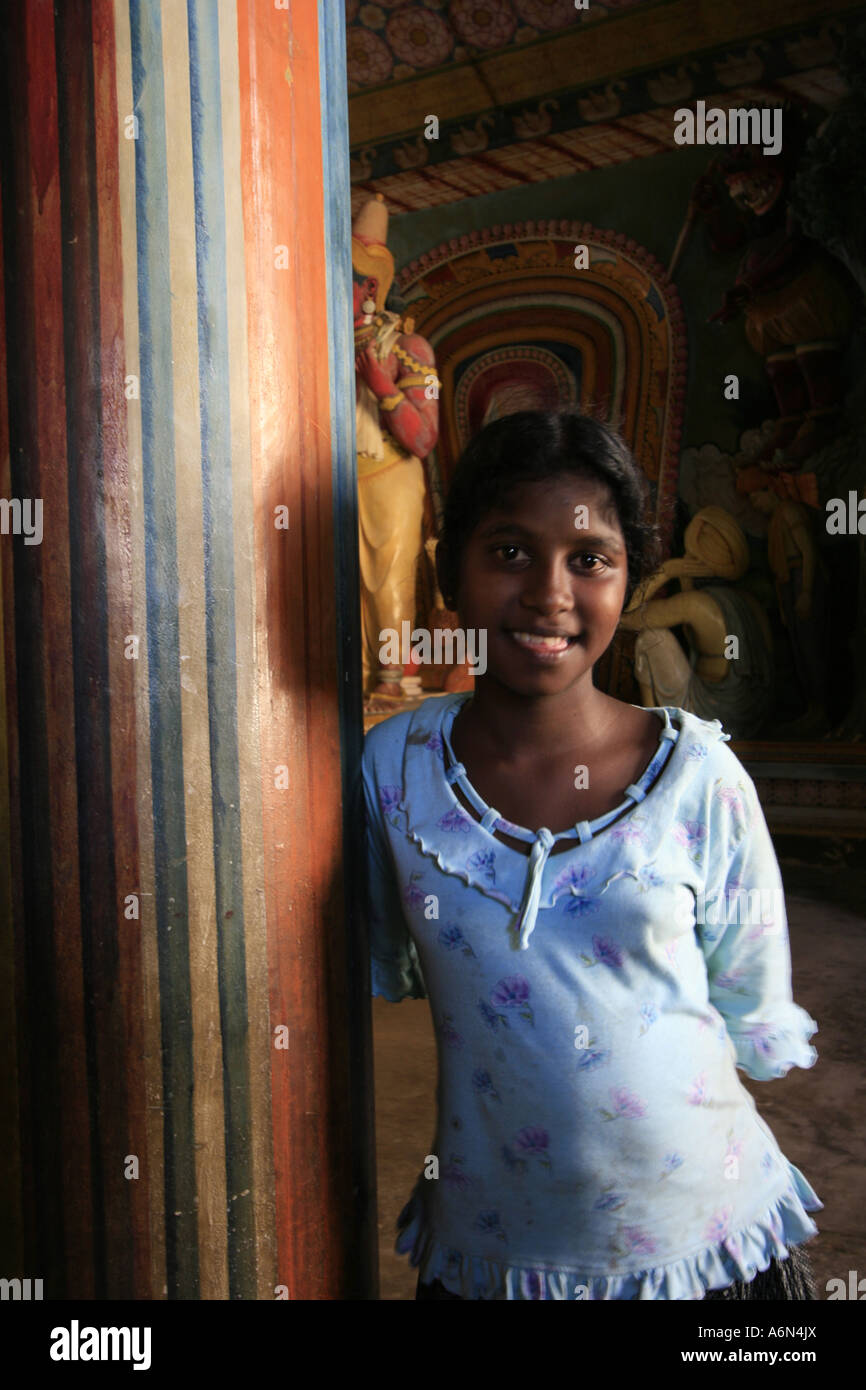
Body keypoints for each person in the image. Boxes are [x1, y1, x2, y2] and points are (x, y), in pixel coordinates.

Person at [362, 410, 821, 1301]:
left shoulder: (699, 777)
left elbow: (751, 1004)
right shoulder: (395, 771)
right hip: (493, 1254)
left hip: (710, 1247)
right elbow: (386, 960)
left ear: (629, 579)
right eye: (508, 552)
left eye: (589, 559)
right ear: (447, 568)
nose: (549, 593)